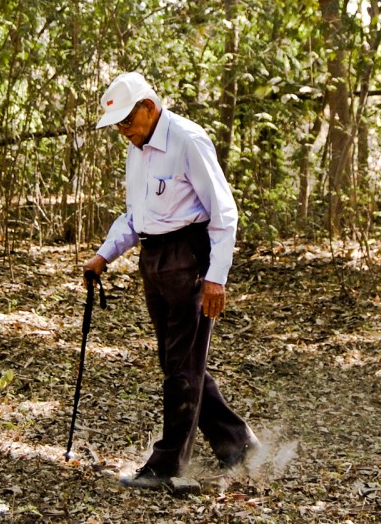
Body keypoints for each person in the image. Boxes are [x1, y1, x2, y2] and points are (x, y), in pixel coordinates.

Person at [83, 71, 258, 490]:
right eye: (118, 127)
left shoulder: (187, 140)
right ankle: (237, 443)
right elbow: (134, 215)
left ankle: (166, 467)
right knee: (179, 362)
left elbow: (224, 213)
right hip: (154, 258)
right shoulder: (137, 150)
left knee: (181, 367)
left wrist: (216, 278)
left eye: (127, 122)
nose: (124, 132)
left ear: (148, 107)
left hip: (190, 258)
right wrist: (104, 254)